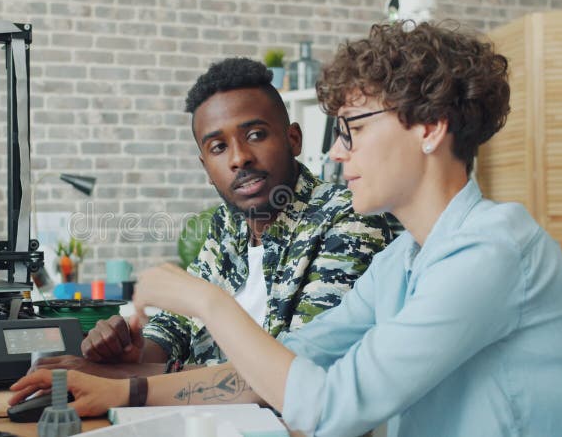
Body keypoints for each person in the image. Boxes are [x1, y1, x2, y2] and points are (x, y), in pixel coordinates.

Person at [11, 22, 562, 436]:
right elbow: (287, 367)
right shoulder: (407, 259)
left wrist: (205, 300)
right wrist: (124, 395)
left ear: (429, 126)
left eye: (352, 129)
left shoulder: (491, 251)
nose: (336, 155)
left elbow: (329, 408)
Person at [31, 57, 391, 378]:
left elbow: (292, 374)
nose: (239, 158)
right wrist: (134, 351)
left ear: (293, 139)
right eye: (218, 147)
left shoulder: (347, 220)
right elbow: (177, 323)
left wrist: (134, 376)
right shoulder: (227, 225)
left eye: (255, 135)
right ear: (206, 167)